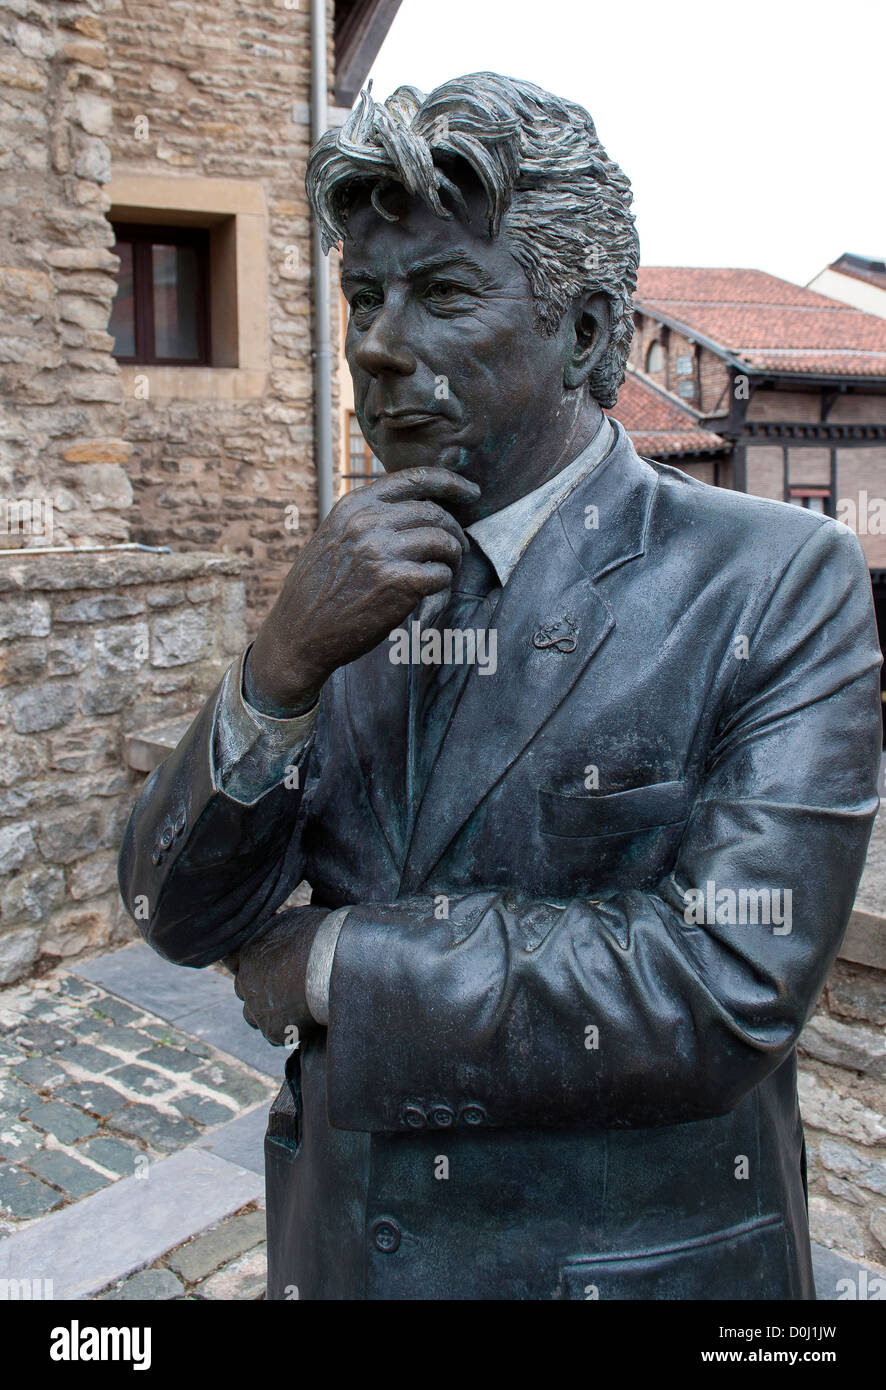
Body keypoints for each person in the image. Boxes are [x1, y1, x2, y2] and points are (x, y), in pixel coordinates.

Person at [118, 73, 881, 1300]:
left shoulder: (777, 580)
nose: (376, 341)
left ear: (586, 333)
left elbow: (731, 976)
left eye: (442, 293)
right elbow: (178, 912)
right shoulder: (346, 574)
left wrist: (338, 965)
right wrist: (278, 670)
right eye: (364, 295)